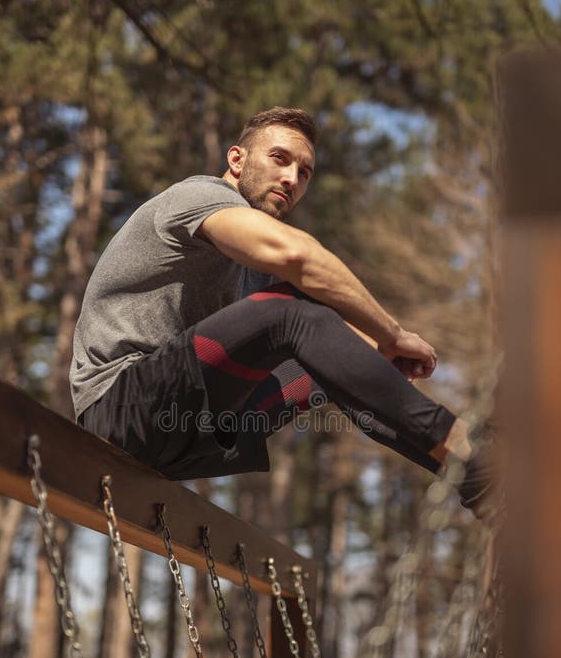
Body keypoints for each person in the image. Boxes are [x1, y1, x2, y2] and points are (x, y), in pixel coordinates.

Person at [70, 107, 492, 515]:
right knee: (292, 312)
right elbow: (298, 256)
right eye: (279, 159)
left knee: (336, 355)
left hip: (186, 430)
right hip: (119, 410)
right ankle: (471, 449)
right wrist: (391, 333)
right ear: (237, 159)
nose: (291, 178)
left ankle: (478, 479)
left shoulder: (256, 276)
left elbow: (334, 338)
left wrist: (374, 356)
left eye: (304, 172)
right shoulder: (196, 196)